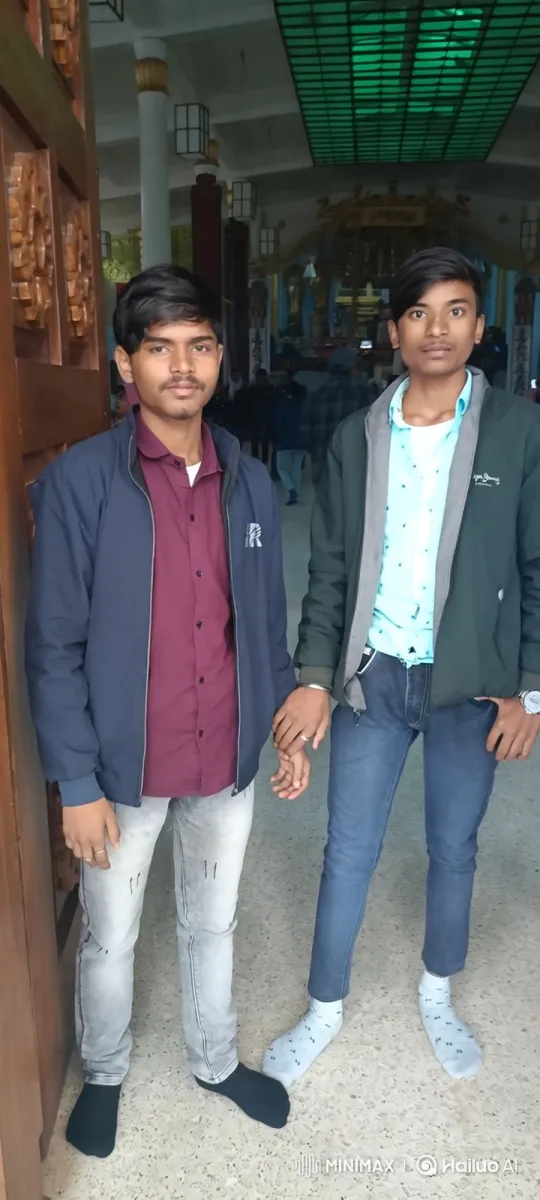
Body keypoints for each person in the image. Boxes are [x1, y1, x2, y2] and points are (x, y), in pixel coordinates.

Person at [25, 265, 310, 1158]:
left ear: (220, 357)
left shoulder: (251, 483)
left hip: (223, 754)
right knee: (110, 936)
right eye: (159, 348)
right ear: (125, 363)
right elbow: (53, 644)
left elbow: (262, 623)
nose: (181, 366)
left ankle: (216, 1061)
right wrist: (75, 782)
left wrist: (280, 726)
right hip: (121, 766)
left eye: (198, 345)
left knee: (212, 921)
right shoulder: (82, 482)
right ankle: (104, 1071)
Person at [265, 247, 540, 1088]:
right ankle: (324, 1005)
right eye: (419, 313)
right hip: (374, 678)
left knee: (454, 848)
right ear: (393, 330)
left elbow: (536, 567)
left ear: (480, 325)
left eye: (456, 310)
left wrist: (530, 692)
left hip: (470, 685)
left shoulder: (517, 430)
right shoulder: (360, 435)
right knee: (348, 848)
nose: (438, 329)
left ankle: (436, 992)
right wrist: (315, 676)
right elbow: (332, 569)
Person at [302, 351, 372, 483]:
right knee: (354, 502)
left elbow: (305, 434)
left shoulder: (315, 397)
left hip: (322, 460)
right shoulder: (366, 395)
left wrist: (316, 450)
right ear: (352, 369)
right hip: (356, 461)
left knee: (325, 502)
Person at [273, 370, 307, 505]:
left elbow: (277, 422)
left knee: (281, 468)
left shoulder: (282, 405)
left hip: (284, 440)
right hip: (300, 440)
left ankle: (291, 488)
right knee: (296, 469)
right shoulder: (303, 405)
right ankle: (296, 494)